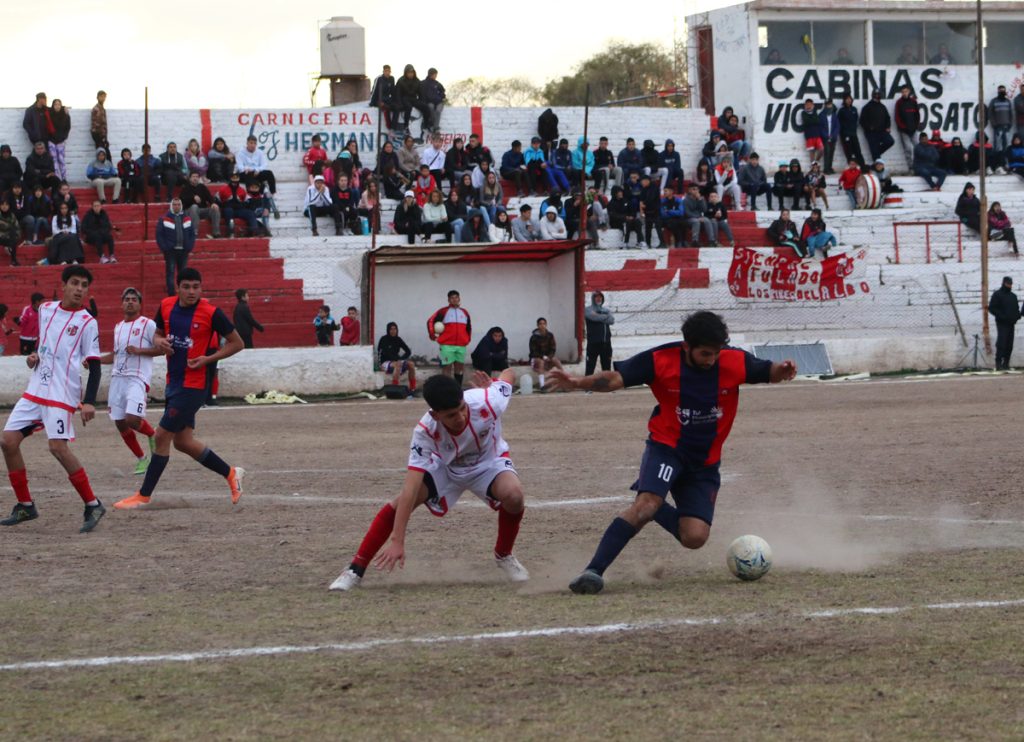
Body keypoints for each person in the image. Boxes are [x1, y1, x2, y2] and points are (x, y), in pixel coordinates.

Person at [548, 311, 797, 595]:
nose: (711, 359)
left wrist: (783, 369)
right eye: (705, 353)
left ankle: (651, 499)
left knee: (694, 537)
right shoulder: (661, 360)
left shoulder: (734, 360)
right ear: (686, 346)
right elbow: (616, 379)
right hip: (667, 449)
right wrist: (578, 382)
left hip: (704, 463)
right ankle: (593, 571)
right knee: (645, 506)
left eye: (716, 353)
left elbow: (769, 371)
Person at [329, 369, 528, 591]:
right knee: (399, 504)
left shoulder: (488, 401)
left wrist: (495, 382)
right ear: (435, 415)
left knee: (514, 496)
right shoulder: (424, 432)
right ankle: (354, 569)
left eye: (462, 409)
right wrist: (398, 540)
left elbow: (510, 374)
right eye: (451, 415)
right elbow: (411, 487)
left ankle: (504, 555)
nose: (460, 417)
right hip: (446, 467)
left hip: (488, 463)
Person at [112, 268, 244, 510]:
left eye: (196, 287)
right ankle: (231, 473)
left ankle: (143, 495)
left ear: (201, 288)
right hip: (174, 382)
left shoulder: (211, 312)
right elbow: (157, 334)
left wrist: (207, 359)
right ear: (178, 287)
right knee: (183, 442)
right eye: (187, 287)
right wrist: (159, 341)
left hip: (193, 386)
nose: (192, 292)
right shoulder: (166, 306)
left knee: (162, 436)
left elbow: (238, 343)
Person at [0, 265, 107, 532]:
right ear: (64, 285)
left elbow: (94, 365)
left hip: (62, 392)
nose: (79, 289)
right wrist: (34, 356)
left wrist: (91, 401)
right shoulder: (46, 310)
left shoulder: (87, 322)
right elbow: (43, 344)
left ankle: (92, 504)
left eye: (84, 285)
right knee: (7, 441)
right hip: (37, 387)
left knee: (58, 448)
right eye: (75, 283)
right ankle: (26, 506)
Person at [99, 287, 159, 475]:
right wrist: (95, 360)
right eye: (127, 299)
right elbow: (117, 355)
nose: (130, 301)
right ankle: (142, 459)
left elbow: (162, 349)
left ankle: (152, 435)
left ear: (140, 304)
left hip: (137, 378)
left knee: (132, 419)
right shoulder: (118, 327)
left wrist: (140, 351)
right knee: (120, 422)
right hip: (118, 379)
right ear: (122, 303)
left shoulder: (148, 324)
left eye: (134, 299)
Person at [428, 290, 471, 386]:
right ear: (448, 300)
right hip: (447, 345)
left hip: (461, 345)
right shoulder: (443, 311)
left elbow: (469, 327)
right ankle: (446, 389)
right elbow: (430, 321)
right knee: (447, 367)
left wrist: (467, 339)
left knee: (459, 367)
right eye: (452, 298)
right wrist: (432, 334)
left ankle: (458, 389)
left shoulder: (464, 312)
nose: (454, 299)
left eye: (456, 297)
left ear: (459, 299)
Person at [156, 198, 196, 296]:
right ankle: (171, 294)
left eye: (178, 204)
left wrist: (189, 246)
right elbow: (159, 235)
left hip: (183, 251)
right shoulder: (164, 219)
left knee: (183, 274)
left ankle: (182, 293)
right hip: (171, 252)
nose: (176, 206)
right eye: (174, 204)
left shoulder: (187, 218)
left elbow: (192, 234)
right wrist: (165, 248)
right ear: (171, 206)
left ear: (181, 206)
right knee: (170, 273)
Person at [236, 136, 278, 216]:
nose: (253, 145)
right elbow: (240, 167)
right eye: (251, 143)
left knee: (269, 173)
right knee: (248, 175)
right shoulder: (240, 153)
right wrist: (247, 169)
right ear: (247, 143)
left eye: (255, 143)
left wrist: (258, 170)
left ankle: (272, 192)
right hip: (246, 173)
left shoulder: (259, 152)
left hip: (257, 173)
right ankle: (255, 195)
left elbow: (264, 164)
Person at [988, 276, 1022, 370]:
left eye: (1011, 284)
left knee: (1009, 344)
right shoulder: (997, 295)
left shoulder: (1013, 296)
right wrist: (1002, 316)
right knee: (1001, 343)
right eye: (1008, 284)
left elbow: (1016, 309)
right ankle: (998, 363)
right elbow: (992, 308)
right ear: (1004, 283)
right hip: (1002, 323)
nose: (1009, 286)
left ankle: (1006, 364)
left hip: (1011, 323)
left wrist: (1017, 316)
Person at [181, 171, 222, 238]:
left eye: (197, 177)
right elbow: (182, 200)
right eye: (193, 177)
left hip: (202, 210)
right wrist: (192, 198)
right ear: (190, 178)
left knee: (215, 208)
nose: (195, 178)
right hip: (189, 211)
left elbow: (209, 197)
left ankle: (216, 232)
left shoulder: (202, 187)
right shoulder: (186, 188)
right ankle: (194, 232)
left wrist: (213, 203)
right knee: (194, 206)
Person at [378, 322, 416, 393]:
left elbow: (408, 351)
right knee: (398, 365)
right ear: (388, 330)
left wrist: (401, 359)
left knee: (411, 364)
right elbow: (384, 353)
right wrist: (397, 360)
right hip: (385, 362)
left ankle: (412, 388)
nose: (393, 331)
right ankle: (394, 388)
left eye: (395, 329)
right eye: (391, 329)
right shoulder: (384, 339)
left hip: (396, 361)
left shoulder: (398, 339)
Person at [218, 172, 259, 238]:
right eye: (233, 178)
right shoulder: (223, 189)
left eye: (236, 178)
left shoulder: (242, 190)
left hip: (238, 210)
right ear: (230, 179)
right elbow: (216, 200)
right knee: (229, 211)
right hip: (227, 210)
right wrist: (226, 201)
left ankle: (254, 231)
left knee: (250, 213)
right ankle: (230, 232)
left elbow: (248, 201)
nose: (235, 180)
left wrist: (241, 202)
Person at [584, 291, 614, 375]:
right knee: (590, 366)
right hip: (593, 343)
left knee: (606, 368)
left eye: (600, 297)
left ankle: (606, 387)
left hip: (606, 343)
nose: (598, 299)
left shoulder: (606, 310)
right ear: (593, 299)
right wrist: (606, 317)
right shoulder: (588, 310)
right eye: (596, 297)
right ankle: (588, 386)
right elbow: (593, 317)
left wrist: (598, 316)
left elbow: (611, 321)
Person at [861, 90, 894, 163]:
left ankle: (876, 152)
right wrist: (869, 127)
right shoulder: (867, 107)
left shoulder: (882, 107)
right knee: (876, 156)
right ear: (873, 95)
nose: (877, 96)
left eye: (878, 95)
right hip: (871, 133)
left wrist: (888, 127)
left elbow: (887, 118)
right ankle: (877, 169)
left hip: (882, 131)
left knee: (890, 141)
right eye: (875, 95)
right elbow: (862, 120)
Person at [529, 317, 563, 388]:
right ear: (537, 325)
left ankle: (565, 379)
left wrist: (549, 357)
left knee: (556, 360)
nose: (542, 325)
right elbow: (533, 351)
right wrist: (543, 357)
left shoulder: (550, 335)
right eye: (540, 324)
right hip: (536, 359)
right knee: (541, 362)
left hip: (547, 359)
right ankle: (542, 385)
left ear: (546, 325)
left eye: (544, 324)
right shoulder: (533, 337)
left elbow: (553, 348)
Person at [47, 201, 84, 266]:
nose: (64, 210)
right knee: (63, 239)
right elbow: (54, 230)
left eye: (65, 208)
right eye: (62, 208)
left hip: (70, 235)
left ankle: (73, 259)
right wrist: (62, 232)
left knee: (72, 238)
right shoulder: (55, 217)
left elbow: (74, 229)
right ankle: (63, 260)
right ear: (59, 209)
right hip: (59, 235)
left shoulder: (72, 217)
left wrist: (68, 232)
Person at [894, 86, 921, 170]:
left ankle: (918, 165)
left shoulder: (913, 101)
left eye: (906, 91)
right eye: (903, 92)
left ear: (909, 91)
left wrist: (916, 126)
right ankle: (911, 166)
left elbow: (917, 115)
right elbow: (897, 116)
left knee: (917, 147)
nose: (904, 93)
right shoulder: (899, 102)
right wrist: (903, 127)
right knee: (908, 148)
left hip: (913, 129)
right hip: (904, 130)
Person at [838, 95, 865, 169]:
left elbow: (856, 120)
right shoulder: (842, 111)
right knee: (849, 152)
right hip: (845, 135)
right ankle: (852, 167)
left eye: (850, 99)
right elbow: (839, 123)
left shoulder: (854, 109)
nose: (849, 100)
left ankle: (863, 167)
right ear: (844, 100)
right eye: (847, 99)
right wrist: (843, 132)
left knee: (858, 151)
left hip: (853, 134)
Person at [47, 99, 71, 181]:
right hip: (51, 141)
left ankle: (64, 179)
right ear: (53, 106)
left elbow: (68, 127)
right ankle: (57, 180)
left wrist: (63, 137)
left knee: (61, 160)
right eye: (55, 104)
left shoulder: (65, 115)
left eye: (59, 104)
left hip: (61, 141)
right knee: (54, 161)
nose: (57, 106)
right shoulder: (49, 114)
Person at [369, 64, 397, 130]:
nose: (387, 73)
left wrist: (395, 101)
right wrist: (372, 103)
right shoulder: (379, 79)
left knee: (397, 108)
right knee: (386, 108)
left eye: (389, 71)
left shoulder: (392, 79)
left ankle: (394, 127)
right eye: (386, 71)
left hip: (388, 99)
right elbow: (374, 91)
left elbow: (393, 91)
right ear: (383, 71)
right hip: (379, 100)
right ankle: (389, 127)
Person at [421, 68, 446, 133]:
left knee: (438, 111)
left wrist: (441, 97)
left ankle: (435, 127)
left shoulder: (437, 83)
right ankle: (433, 125)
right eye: (435, 74)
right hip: (429, 102)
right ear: (431, 74)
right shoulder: (423, 83)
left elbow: (442, 92)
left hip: (439, 102)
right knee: (430, 108)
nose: (436, 76)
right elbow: (422, 94)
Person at [800, 99, 824, 164]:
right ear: (805, 106)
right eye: (807, 104)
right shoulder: (803, 113)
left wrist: (812, 120)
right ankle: (813, 166)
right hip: (809, 136)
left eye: (810, 104)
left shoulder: (815, 112)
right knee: (811, 152)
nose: (808, 106)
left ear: (813, 105)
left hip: (817, 135)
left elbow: (817, 121)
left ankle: (816, 162)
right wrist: (812, 120)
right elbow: (807, 121)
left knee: (821, 150)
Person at [820, 99, 840, 174]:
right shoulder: (821, 115)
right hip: (825, 138)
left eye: (830, 104)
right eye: (827, 104)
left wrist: (833, 135)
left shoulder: (834, 115)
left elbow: (837, 126)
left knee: (831, 152)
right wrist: (826, 136)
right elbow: (820, 127)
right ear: (825, 105)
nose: (829, 105)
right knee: (827, 152)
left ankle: (830, 167)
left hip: (833, 137)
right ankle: (826, 168)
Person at [0, 199, 21, 266]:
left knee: (13, 236)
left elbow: (17, 228)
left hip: (9, 238)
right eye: (2, 205)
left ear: (9, 206)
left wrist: (17, 237)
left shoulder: (12, 216)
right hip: (1, 237)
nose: (4, 206)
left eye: (6, 205)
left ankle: (13, 261)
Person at [90, 91, 109, 158]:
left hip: (103, 136)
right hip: (98, 135)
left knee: (105, 156)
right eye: (101, 96)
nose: (103, 98)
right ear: (97, 97)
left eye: (104, 97)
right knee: (102, 155)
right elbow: (96, 125)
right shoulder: (96, 109)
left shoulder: (102, 109)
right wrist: (101, 137)